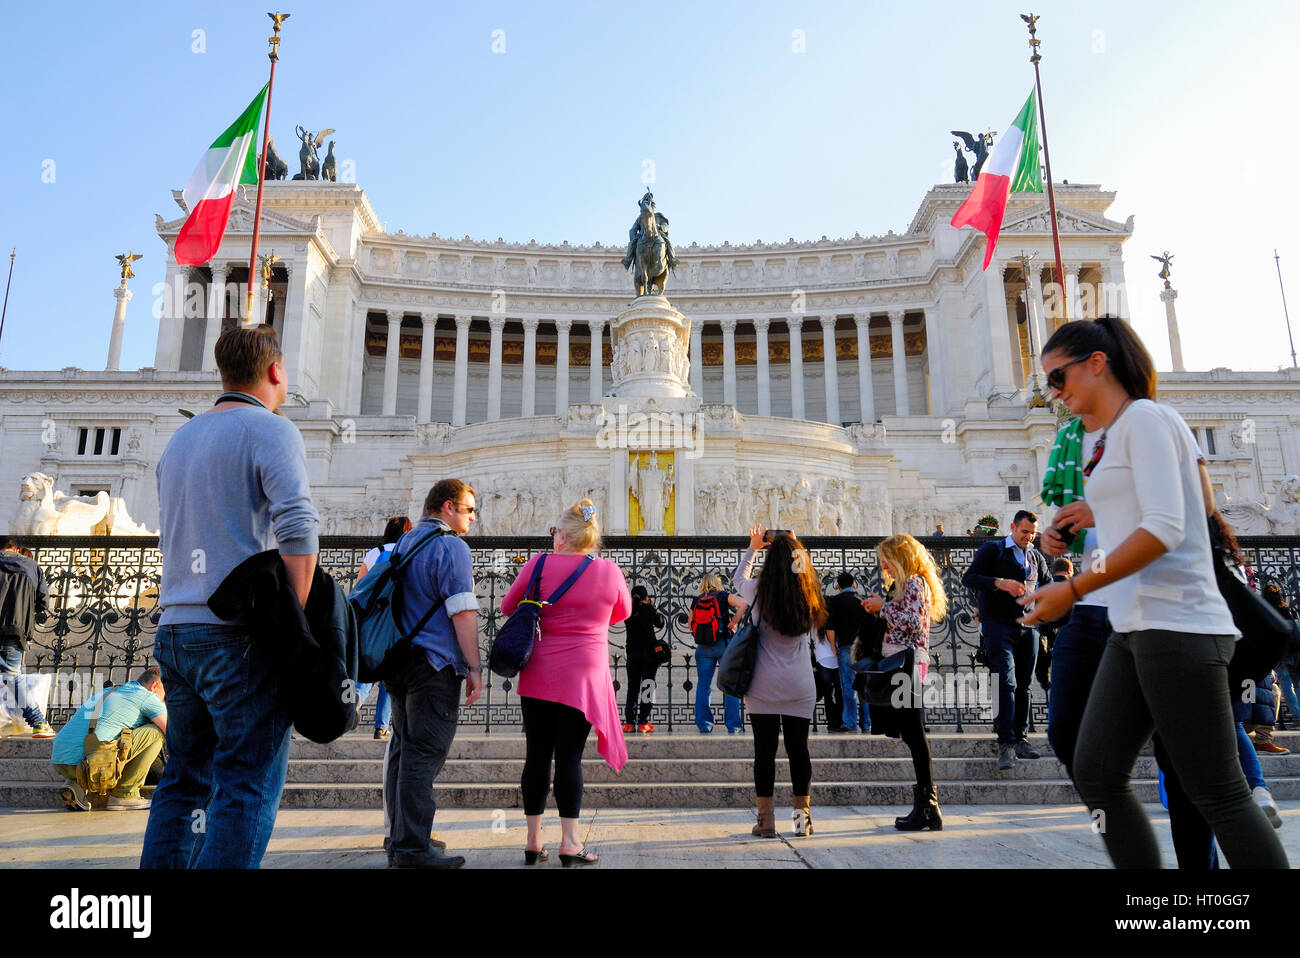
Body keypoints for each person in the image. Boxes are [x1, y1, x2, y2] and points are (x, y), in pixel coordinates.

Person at [1020, 316, 1288, 869]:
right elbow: (1149, 508)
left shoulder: (1145, 419)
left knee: (1218, 791)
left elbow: (1166, 527)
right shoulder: (1111, 434)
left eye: (1058, 376)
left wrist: (1073, 588)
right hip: (1136, 625)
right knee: (1096, 770)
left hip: (1179, 625)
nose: (1053, 392)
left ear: (1097, 363)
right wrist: (1093, 513)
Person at [142, 325, 319, 870]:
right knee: (246, 785)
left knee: (182, 783)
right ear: (274, 373)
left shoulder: (181, 439)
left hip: (175, 631)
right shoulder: (270, 429)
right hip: (237, 638)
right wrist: (293, 623)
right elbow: (299, 529)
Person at [502, 499, 631, 867]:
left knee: (537, 756)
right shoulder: (608, 570)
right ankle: (570, 843)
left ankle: (531, 841)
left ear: (562, 535)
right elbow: (622, 613)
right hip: (583, 677)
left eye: (554, 531)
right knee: (570, 758)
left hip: (539, 672)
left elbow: (509, 606)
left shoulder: (537, 565)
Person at [384, 479, 482, 869]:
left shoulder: (405, 542)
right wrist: (474, 667)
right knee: (423, 757)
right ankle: (412, 850)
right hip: (434, 665)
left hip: (399, 662)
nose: (473, 517)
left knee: (404, 753)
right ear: (447, 507)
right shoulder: (451, 546)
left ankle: (401, 840)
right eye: (469, 509)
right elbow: (462, 611)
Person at [734, 527, 825, 838]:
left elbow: (737, 580)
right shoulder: (809, 591)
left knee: (765, 752)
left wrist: (753, 548)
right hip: (800, 684)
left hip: (763, 684)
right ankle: (802, 822)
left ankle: (766, 820)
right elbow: (808, 575)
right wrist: (797, 545)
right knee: (799, 751)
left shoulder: (758, 590)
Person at [861, 534, 948, 831]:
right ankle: (926, 807)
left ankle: (927, 806)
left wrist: (881, 607)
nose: (883, 566)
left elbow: (912, 622)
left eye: (886, 559)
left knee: (914, 733)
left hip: (906, 666)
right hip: (901, 664)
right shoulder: (906, 584)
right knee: (912, 734)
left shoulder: (913, 583)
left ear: (899, 557)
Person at [961, 509, 1050, 769]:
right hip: (998, 625)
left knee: (1023, 684)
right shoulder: (993, 549)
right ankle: (1006, 743)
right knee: (1006, 681)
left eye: (1032, 533)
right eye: (1024, 532)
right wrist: (1001, 583)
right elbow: (970, 577)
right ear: (1012, 527)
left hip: (1029, 627)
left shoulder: (1035, 555)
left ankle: (1021, 738)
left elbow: (1044, 584)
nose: (1028, 537)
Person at [52, 667, 167, 811]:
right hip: (92, 762)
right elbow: (171, 730)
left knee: (114, 733)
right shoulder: (146, 696)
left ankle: (77, 784)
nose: (165, 699)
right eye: (166, 693)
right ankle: (125, 794)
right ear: (155, 686)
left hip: (61, 760)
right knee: (155, 732)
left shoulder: (109, 691)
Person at [352, 516, 412, 740]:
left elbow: (360, 587)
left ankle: (357, 694)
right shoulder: (408, 552)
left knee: (368, 659)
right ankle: (382, 726)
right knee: (391, 668)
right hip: (397, 620)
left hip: (373, 617)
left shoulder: (374, 553)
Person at [0, 538, 54, 738]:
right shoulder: (30, 565)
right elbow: (42, 602)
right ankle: (38, 722)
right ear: (15, 548)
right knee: (12, 676)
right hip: (15, 629)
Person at [690, 573, 747, 734]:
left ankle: (704, 724)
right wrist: (733, 623)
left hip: (703, 648)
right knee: (729, 686)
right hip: (724, 644)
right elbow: (743, 604)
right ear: (717, 583)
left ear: (703, 584)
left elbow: (690, 624)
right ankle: (733, 725)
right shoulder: (723, 595)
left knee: (703, 686)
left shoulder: (697, 600)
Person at [825, 571, 869, 732]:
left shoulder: (835, 601)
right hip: (863, 648)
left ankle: (850, 723)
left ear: (837, 586)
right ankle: (866, 723)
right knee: (864, 685)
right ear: (853, 584)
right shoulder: (862, 601)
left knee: (848, 687)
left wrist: (832, 646)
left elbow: (829, 628)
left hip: (845, 647)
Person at [623, 585, 666, 733]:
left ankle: (629, 722)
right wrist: (651, 606)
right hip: (648, 653)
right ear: (645, 597)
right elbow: (660, 623)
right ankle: (643, 722)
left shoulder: (628, 610)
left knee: (632, 689)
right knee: (648, 686)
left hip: (632, 654)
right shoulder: (648, 609)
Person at [1262, 582, 1300, 729]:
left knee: (1286, 686)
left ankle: (1297, 716)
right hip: (1295, 653)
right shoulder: (1287, 611)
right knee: (1297, 685)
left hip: (1279, 655)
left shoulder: (1267, 613)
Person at [811, 625, 843, 731]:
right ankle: (840, 721)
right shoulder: (833, 619)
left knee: (827, 693)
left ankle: (830, 723)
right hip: (836, 656)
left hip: (822, 657)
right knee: (839, 691)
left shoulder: (815, 620)